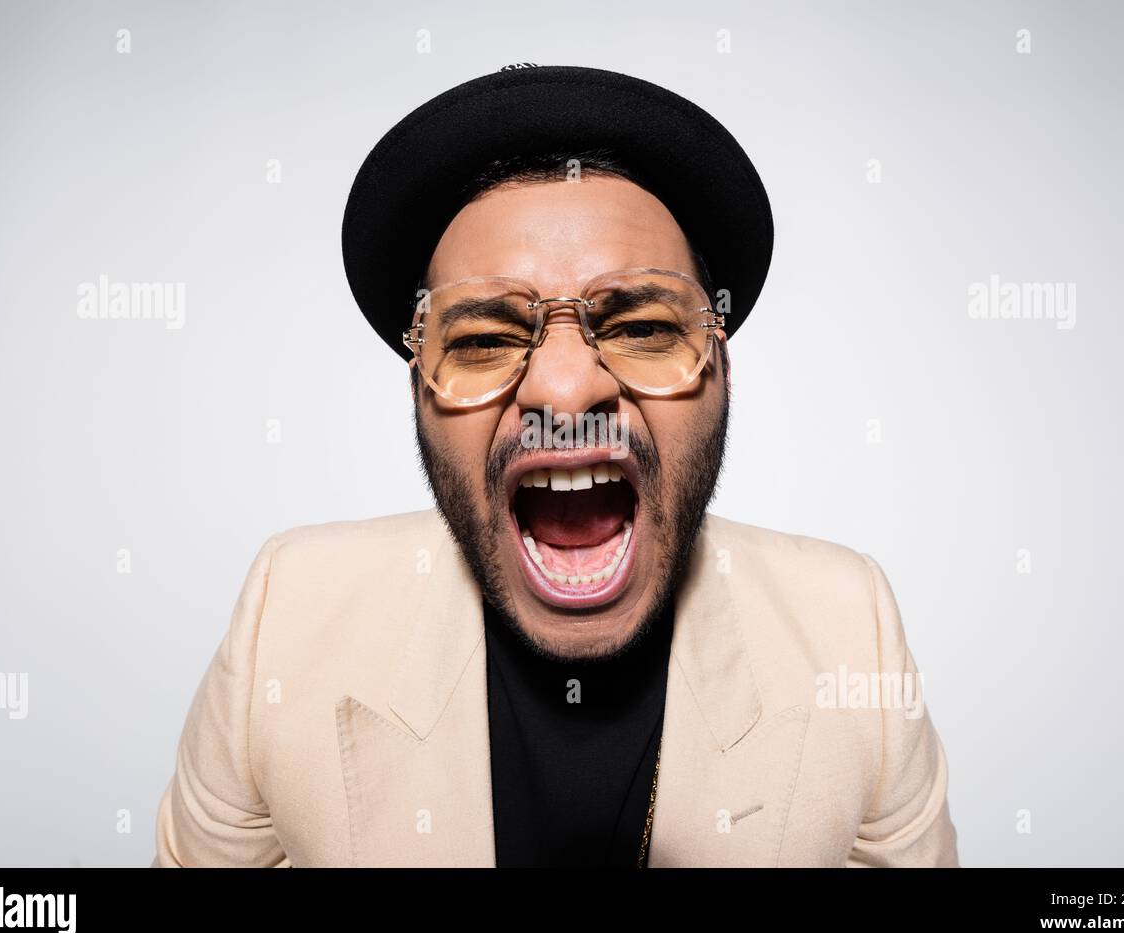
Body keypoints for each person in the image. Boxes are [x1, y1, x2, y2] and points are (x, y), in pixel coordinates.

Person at [152, 63, 958, 867]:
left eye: (642, 324)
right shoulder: (286, 623)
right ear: (419, 393)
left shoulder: (852, 637)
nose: (565, 392)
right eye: (481, 340)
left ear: (720, 372)